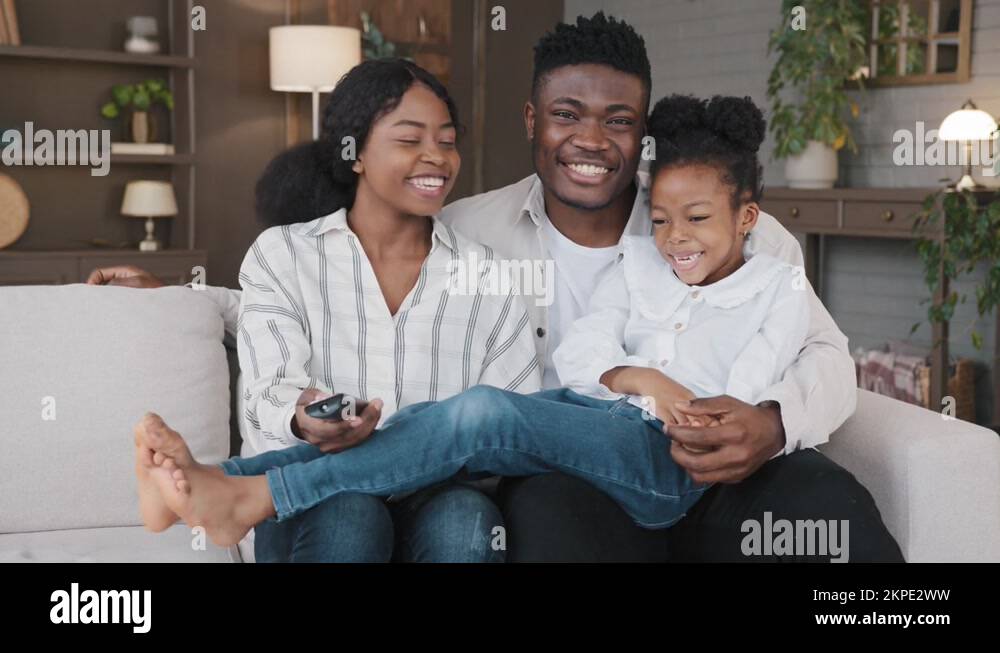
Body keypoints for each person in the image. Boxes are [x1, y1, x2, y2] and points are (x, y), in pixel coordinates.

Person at [96, 12, 904, 562]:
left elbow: (827, 356)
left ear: (643, 130)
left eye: (619, 120)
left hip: (720, 463)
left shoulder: (729, 229)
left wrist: (772, 421)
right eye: (567, 114)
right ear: (531, 120)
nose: (591, 139)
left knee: (830, 515)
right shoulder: (471, 229)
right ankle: (246, 493)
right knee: (505, 479)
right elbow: (351, 275)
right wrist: (178, 300)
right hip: (576, 465)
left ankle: (242, 491)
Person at [137, 57, 542, 562]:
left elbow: (514, 423)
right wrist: (306, 419)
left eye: (446, 140)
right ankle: (236, 492)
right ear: (354, 153)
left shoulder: (488, 276)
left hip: (440, 499)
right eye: (410, 139)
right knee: (351, 512)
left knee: (466, 520)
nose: (436, 157)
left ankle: (221, 485)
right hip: (314, 501)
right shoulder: (284, 254)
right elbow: (269, 391)